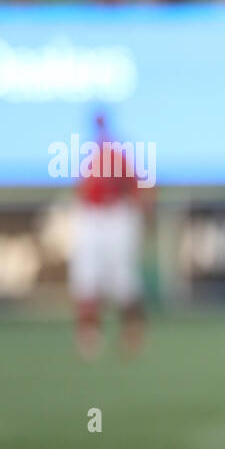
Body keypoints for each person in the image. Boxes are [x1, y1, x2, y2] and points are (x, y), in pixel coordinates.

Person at [69, 113, 148, 359]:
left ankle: (133, 331)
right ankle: (90, 334)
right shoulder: (88, 154)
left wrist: (141, 212)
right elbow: (82, 191)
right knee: (87, 276)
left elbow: (137, 186)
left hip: (116, 217)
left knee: (123, 278)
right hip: (93, 217)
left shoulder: (116, 153)